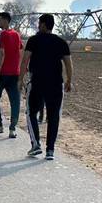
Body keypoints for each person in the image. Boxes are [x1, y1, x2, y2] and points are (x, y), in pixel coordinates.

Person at [20, 13, 72, 160]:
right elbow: (68, 63)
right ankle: (50, 151)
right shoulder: (61, 42)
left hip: (37, 83)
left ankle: (36, 145)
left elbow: (25, 61)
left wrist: (20, 80)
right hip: (56, 84)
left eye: (39, 23)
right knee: (54, 117)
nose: (38, 25)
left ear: (43, 24)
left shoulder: (33, 40)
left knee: (31, 113)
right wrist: (69, 80)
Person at [0, 11, 23, 138]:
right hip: (15, 73)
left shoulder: (2, 34)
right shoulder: (17, 34)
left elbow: (2, 54)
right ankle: (12, 129)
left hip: (3, 73)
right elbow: (20, 49)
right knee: (15, 101)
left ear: (5, 20)